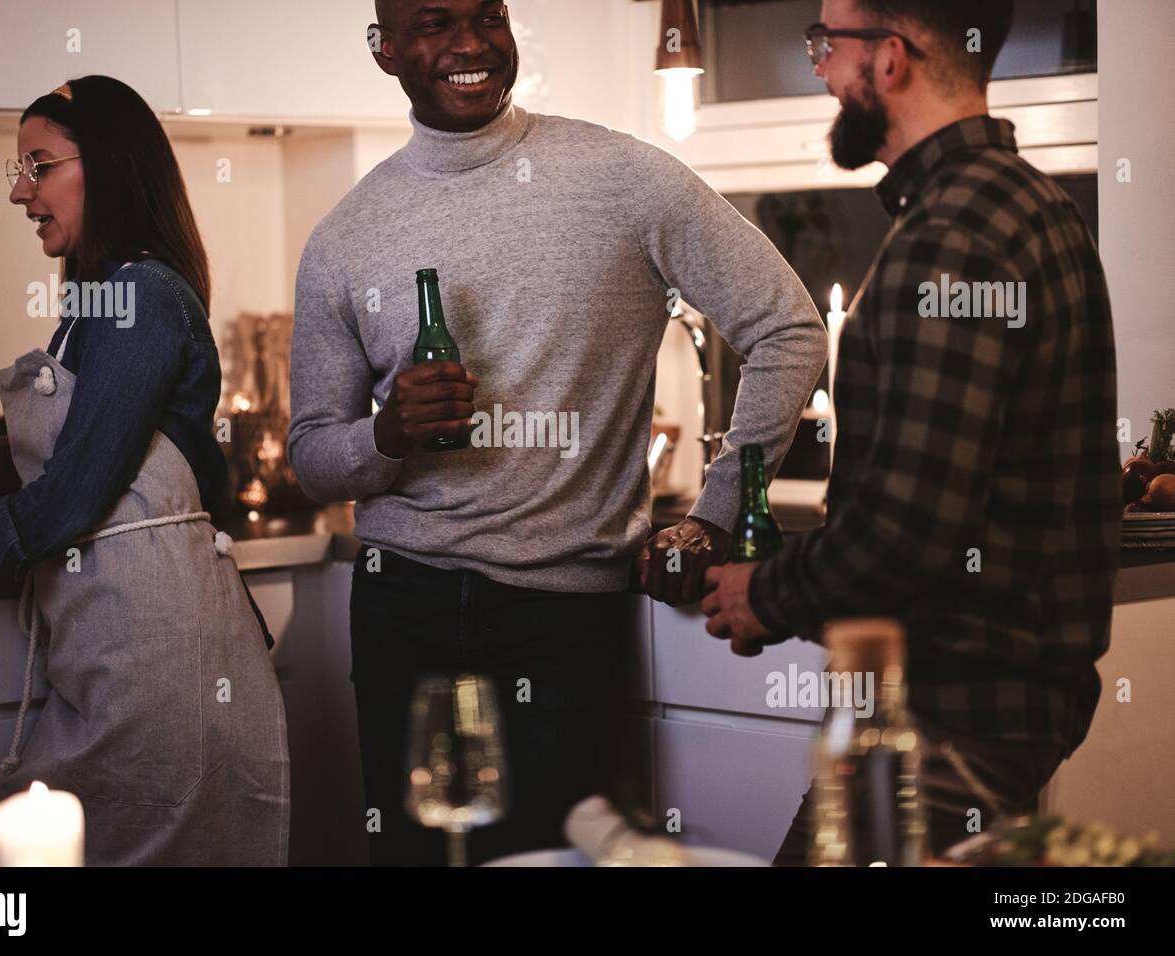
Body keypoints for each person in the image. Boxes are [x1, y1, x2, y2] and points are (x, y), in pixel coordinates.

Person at [289, 0, 826, 865]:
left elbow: (788, 328)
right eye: (432, 23)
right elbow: (312, 455)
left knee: (566, 858)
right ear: (385, 50)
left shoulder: (623, 178)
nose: (468, 44)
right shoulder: (345, 236)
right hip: (400, 607)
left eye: (486, 16)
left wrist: (716, 510)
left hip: (564, 615)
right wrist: (386, 437)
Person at [701, 0, 1121, 863]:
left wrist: (764, 593)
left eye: (828, 43)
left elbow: (909, 528)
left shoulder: (950, 237)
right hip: (1001, 708)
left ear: (889, 59)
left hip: (947, 716)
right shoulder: (1035, 208)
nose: (818, 67)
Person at [0, 76, 290, 866]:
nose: (20, 194)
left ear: (106, 165)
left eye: (39, 166)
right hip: (115, 642)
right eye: (18, 171)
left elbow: (71, 493)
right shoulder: (99, 306)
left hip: (161, 651)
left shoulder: (143, 296)